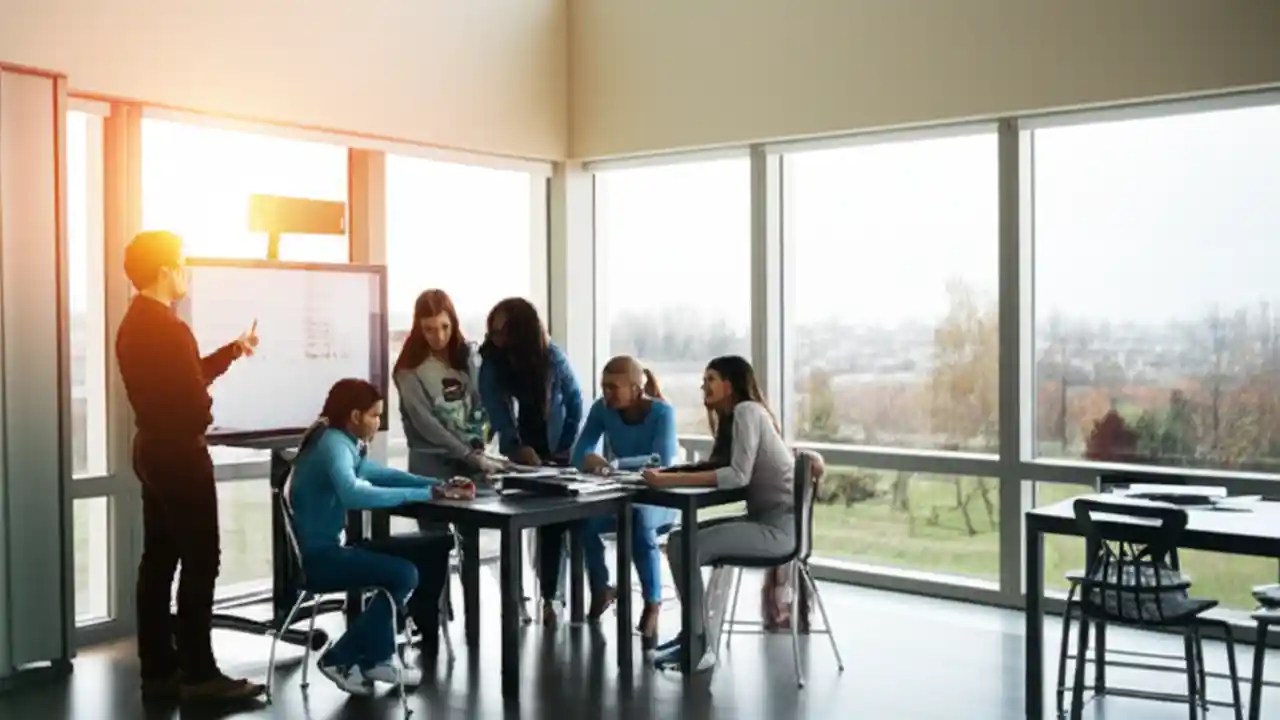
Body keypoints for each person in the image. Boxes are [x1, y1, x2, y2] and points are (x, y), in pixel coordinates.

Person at [115, 230, 264, 702]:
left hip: (153, 450)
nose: (187, 273)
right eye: (182, 263)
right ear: (164, 270)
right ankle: (201, 674)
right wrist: (205, 403)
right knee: (202, 560)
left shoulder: (135, 323)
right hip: (182, 453)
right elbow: (193, 401)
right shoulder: (168, 326)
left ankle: (159, 671)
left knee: (159, 561)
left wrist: (233, 351)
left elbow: (188, 372)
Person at [288, 378, 469, 695]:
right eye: (375, 416)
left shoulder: (339, 441)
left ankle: (377, 657)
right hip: (322, 560)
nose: (378, 423)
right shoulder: (333, 443)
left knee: (420, 556)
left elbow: (377, 474)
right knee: (403, 574)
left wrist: (435, 484)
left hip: (328, 552)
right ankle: (342, 657)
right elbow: (353, 493)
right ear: (355, 416)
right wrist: (424, 491)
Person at [641, 355, 795, 670]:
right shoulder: (738, 417)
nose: (703, 386)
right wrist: (679, 473)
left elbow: (739, 476)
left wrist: (670, 479)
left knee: (683, 546)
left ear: (730, 384)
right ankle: (693, 637)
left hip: (778, 530)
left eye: (710, 378)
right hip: (767, 521)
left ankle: (697, 644)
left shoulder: (747, 411)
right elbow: (730, 473)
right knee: (679, 539)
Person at [478, 297, 584, 623]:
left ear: (521, 331)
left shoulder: (551, 357)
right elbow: (496, 409)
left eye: (503, 330)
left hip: (556, 452)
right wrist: (514, 446)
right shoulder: (492, 362)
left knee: (553, 525)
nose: (495, 337)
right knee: (513, 520)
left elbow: (576, 402)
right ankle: (516, 601)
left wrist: (564, 450)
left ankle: (551, 598)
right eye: (492, 329)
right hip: (520, 451)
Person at [571, 356, 679, 650]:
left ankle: (652, 603)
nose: (606, 393)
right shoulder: (601, 410)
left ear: (635, 388)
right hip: (620, 499)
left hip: (661, 500)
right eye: (603, 386)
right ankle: (602, 588)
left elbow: (662, 461)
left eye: (613, 387)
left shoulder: (663, 413)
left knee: (639, 521)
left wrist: (613, 464)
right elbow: (579, 451)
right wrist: (588, 459)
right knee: (583, 521)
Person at [393, 289, 505, 538]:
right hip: (431, 462)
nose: (439, 336)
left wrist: (478, 444)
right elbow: (424, 421)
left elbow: (481, 402)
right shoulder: (409, 368)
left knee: (472, 535)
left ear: (453, 323)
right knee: (435, 541)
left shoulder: (467, 358)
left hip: (471, 459)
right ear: (418, 329)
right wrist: (466, 453)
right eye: (429, 329)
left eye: (445, 326)